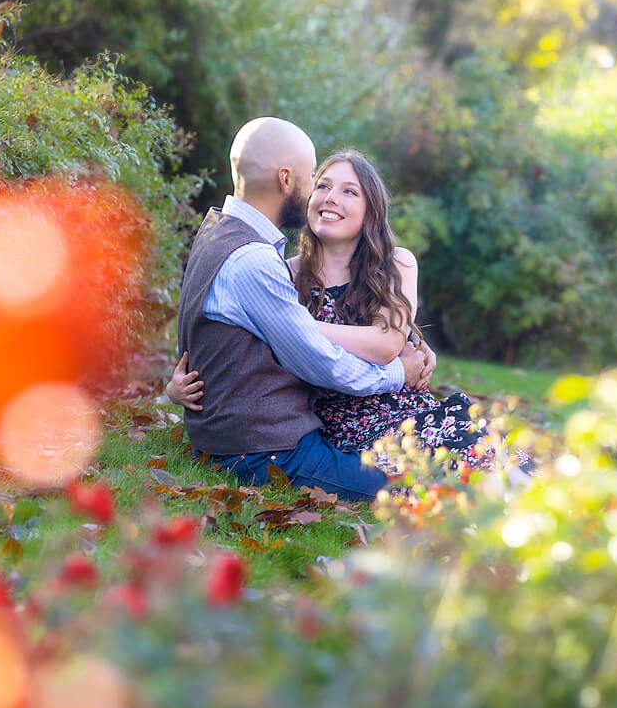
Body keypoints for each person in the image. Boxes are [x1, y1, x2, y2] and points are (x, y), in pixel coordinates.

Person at [172, 136, 498, 481]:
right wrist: (174, 388)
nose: (330, 197)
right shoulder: (283, 271)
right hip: (336, 428)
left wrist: (293, 326)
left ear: (370, 209)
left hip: (401, 408)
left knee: (486, 452)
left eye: (349, 192)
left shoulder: (397, 264)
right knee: (451, 479)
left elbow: (386, 344)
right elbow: (223, 332)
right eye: (322, 185)